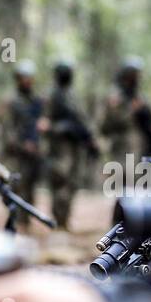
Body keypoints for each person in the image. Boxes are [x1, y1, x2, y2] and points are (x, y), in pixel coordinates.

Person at [42, 59, 98, 230]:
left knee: (73, 182)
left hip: (75, 145)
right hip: (60, 147)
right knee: (60, 180)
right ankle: (59, 221)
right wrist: (62, 128)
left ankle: (65, 219)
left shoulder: (72, 94)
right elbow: (44, 123)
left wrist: (89, 139)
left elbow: (81, 120)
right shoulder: (52, 95)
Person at [98, 56, 151, 185]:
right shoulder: (115, 98)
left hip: (144, 153)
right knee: (124, 190)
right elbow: (104, 127)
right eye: (133, 75)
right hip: (122, 154)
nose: (136, 78)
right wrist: (131, 111)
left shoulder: (140, 97)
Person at [0, 60, 43, 210]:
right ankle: (16, 222)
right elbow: (7, 129)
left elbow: (40, 125)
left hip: (33, 153)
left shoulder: (36, 101)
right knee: (15, 188)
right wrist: (22, 145)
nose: (28, 81)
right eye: (24, 77)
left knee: (30, 188)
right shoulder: (10, 101)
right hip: (15, 154)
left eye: (30, 77)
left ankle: (26, 222)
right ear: (18, 79)